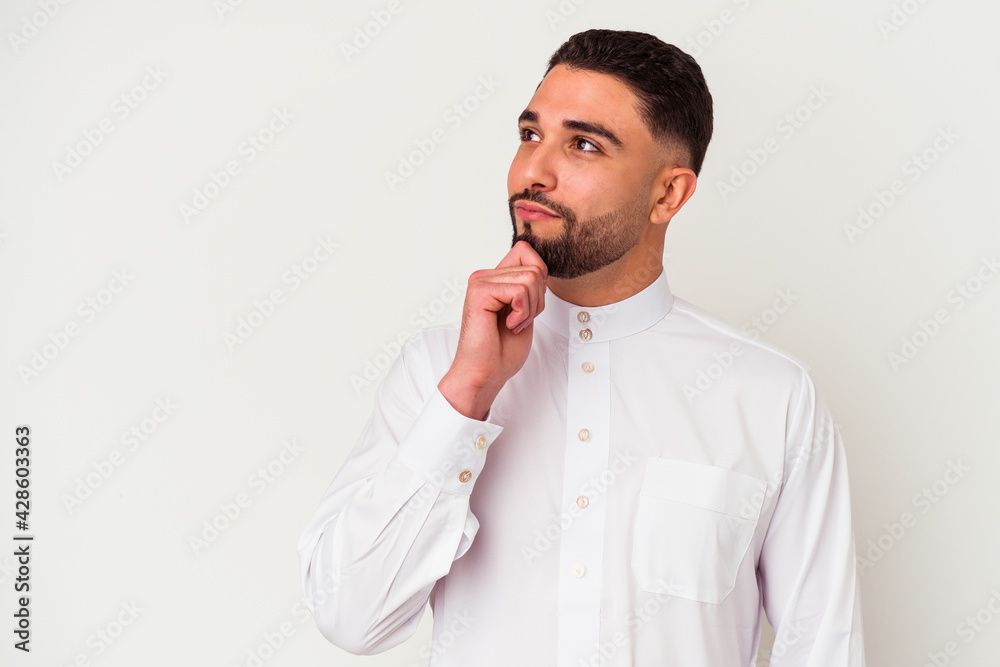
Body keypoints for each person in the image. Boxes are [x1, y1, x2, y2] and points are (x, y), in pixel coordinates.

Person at [297, 28, 866, 666]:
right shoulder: (438, 372)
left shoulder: (770, 395)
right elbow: (352, 619)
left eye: (584, 145)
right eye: (530, 134)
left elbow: (821, 648)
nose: (533, 172)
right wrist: (467, 399)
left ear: (668, 194)